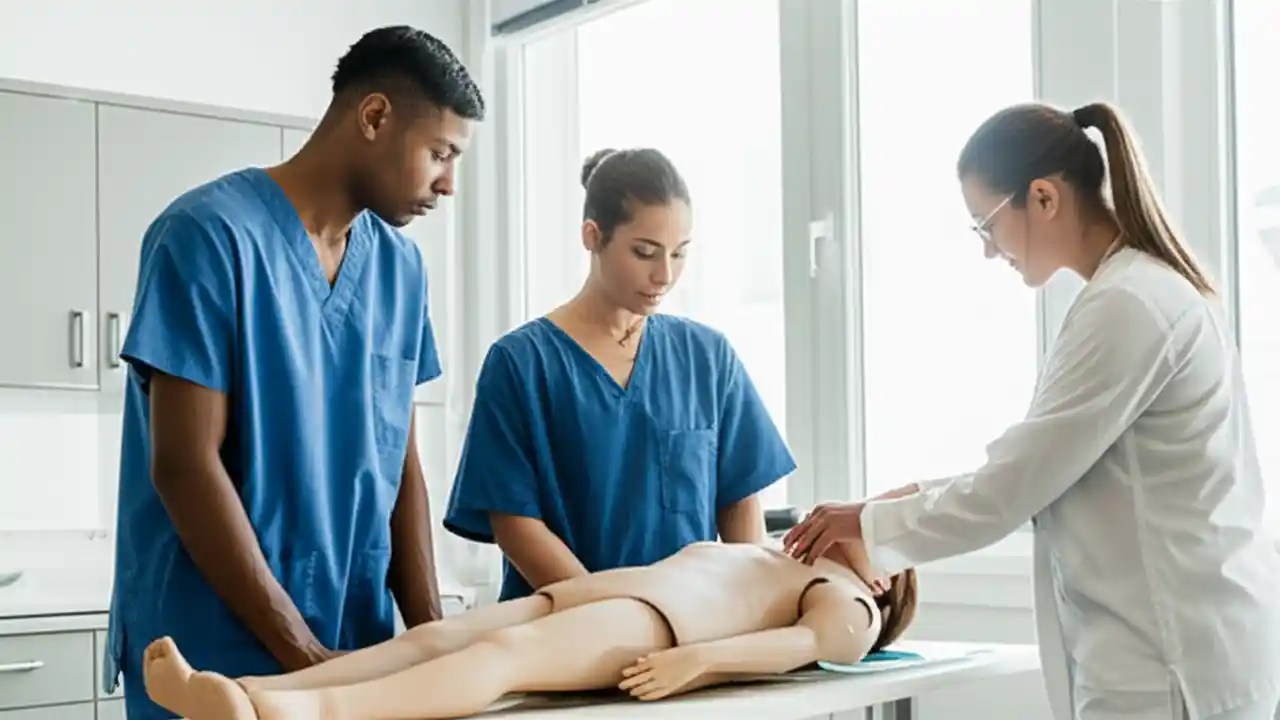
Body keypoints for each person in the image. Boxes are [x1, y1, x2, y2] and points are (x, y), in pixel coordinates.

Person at [784, 101, 1280, 720]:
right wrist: (883, 512)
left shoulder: (1130, 305)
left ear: (1043, 198)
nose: (989, 251)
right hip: (1177, 656)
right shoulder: (1135, 294)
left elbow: (1012, 487)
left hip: (1173, 668)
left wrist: (869, 522)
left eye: (985, 225)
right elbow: (1042, 471)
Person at [102, 26, 485, 719]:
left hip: (353, 649)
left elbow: (399, 462)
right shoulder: (208, 237)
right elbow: (184, 464)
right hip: (210, 649)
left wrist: (432, 639)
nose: (449, 183)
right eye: (440, 153)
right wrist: (301, 652)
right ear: (374, 117)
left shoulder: (399, 271)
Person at [443, 148, 796, 601]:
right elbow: (513, 522)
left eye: (679, 253)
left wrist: (748, 609)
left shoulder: (708, 358)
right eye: (645, 252)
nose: (664, 274)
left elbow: (739, 501)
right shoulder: (521, 364)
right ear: (593, 236)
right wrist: (612, 615)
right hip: (563, 633)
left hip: (689, 633)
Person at [137, 538, 918, 719]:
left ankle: (288, 715)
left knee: (504, 657)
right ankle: (247, 687)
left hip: (658, 626)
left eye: (878, 521)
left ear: (887, 575)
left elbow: (799, 648)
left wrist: (700, 662)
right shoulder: (789, 553)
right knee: (436, 637)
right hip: (608, 594)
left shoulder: (850, 603)